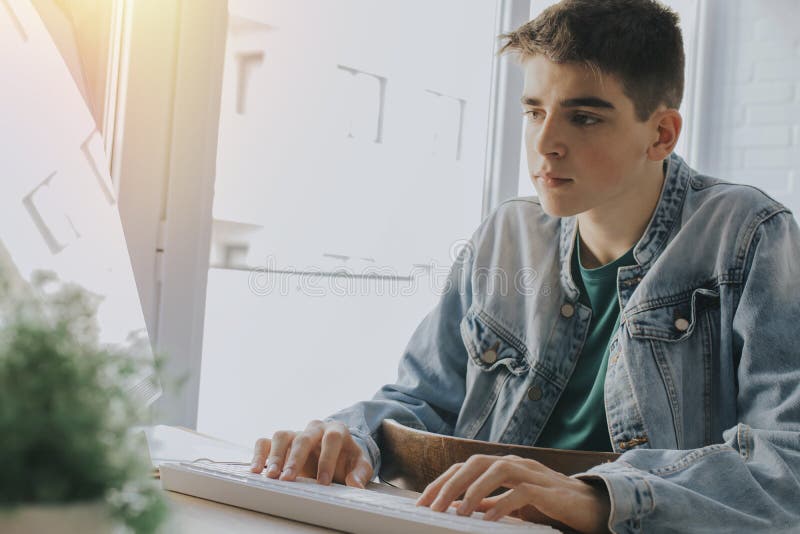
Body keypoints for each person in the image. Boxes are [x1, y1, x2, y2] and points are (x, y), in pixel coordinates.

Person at [250, 1, 800, 532]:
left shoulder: (749, 234)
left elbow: (787, 466)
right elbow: (423, 400)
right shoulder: (507, 235)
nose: (545, 143)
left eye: (583, 117)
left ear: (661, 133)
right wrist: (349, 435)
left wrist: (597, 498)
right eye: (534, 110)